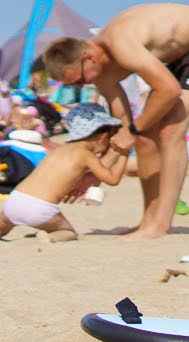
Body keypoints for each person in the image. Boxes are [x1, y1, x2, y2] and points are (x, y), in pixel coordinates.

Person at [40, 2, 189, 239]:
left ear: (89, 58)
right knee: (145, 138)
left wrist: (133, 131)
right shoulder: (101, 74)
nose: (82, 86)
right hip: (181, 54)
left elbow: (169, 90)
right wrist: (99, 171)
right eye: (75, 85)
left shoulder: (120, 44)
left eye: (80, 80)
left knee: (170, 130)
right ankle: (149, 220)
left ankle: (161, 224)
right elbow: (122, 129)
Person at [1, 103, 129, 241]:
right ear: (103, 137)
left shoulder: (59, 149)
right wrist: (124, 154)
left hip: (14, 201)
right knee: (68, 231)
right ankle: (50, 237)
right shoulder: (86, 155)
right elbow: (112, 179)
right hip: (40, 209)